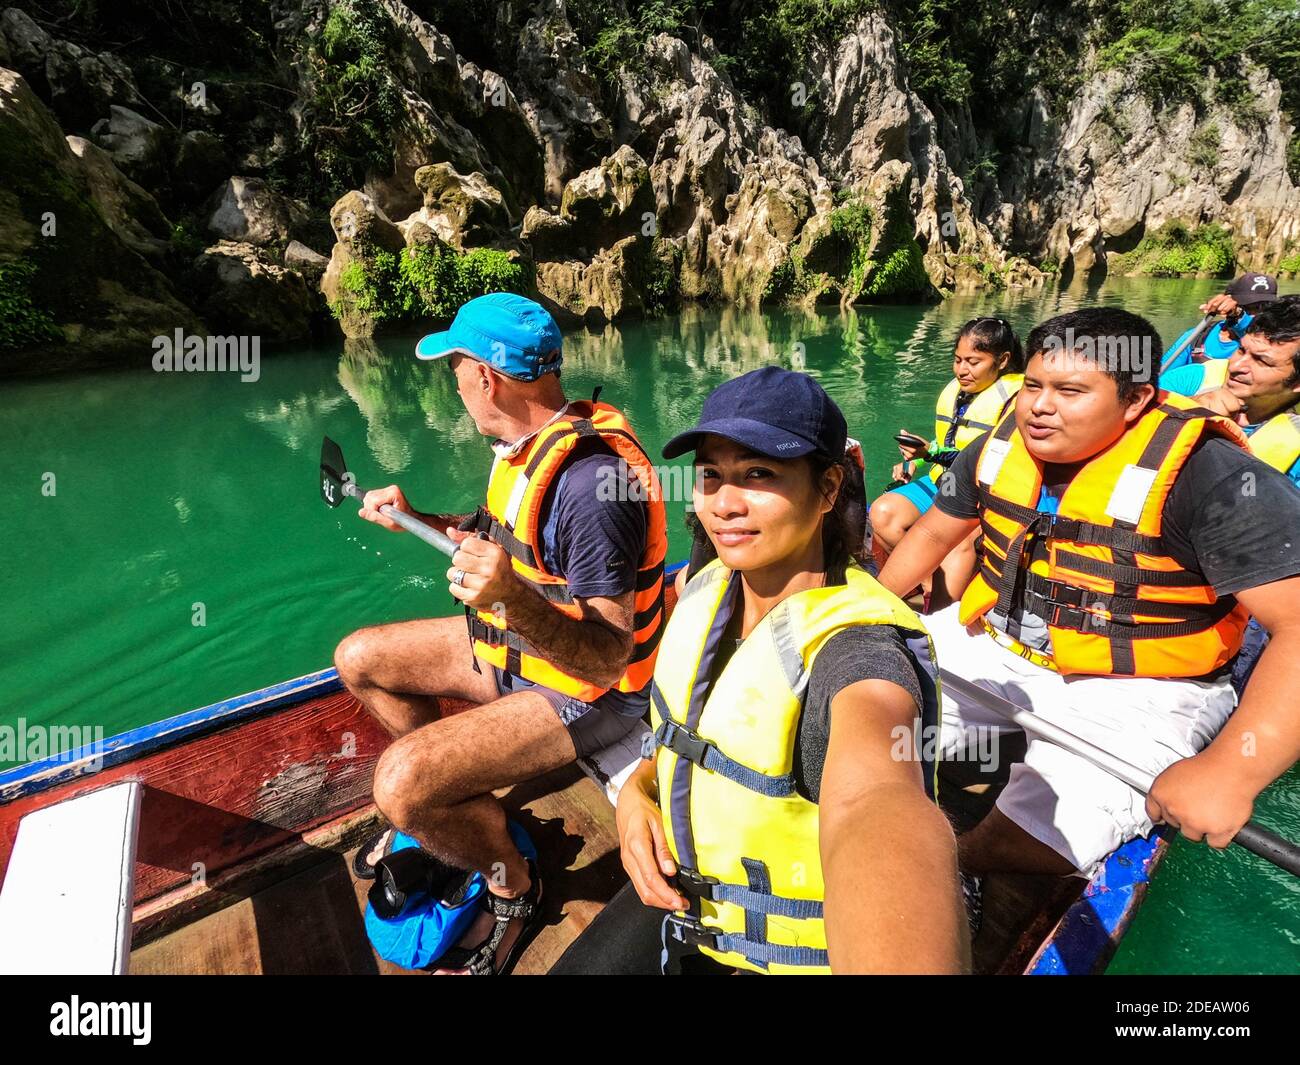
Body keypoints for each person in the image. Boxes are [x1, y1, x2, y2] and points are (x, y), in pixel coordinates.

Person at [551, 367, 966, 975]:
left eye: (759, 475)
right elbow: (681, 736)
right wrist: (638, 792)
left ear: (828, 488)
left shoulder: (857, 653)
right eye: (711, 475)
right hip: (685, 904)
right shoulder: (709, 588)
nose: (724, 504)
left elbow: (879, 805)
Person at [879, 307, 1300, 888]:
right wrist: (870, 607)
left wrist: (1234, 772)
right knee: (856, 710)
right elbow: (931, 532)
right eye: (1032, 386)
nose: (1038, 406)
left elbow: (1296, 627)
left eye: (1069, 391)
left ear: (1135, 400)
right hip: (993, 647)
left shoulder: (1215, 479)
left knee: (1057, 828)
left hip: (1143, 684)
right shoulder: (1007, 444)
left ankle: (962, 863)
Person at [333, 292, 667, 974]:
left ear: (485, 376)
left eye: (454, 367)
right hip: (518, 648)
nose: (452, 383)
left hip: (588, 691)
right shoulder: (524, 444)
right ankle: (456, 810)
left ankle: (513, 880)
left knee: (399, 785)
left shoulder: (592, 488)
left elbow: (609, 658)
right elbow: (504, 535)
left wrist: (509, 596)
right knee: (360, 657)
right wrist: (419, 515)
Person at [869, 317, 1024, 602]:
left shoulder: (1016, 400)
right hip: (944, 482)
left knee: (959, 544)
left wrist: (930, 453)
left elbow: (987, 458)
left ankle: (942, 607)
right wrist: (917, 461)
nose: (962, 370)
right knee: (882, 513)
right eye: (958, 360)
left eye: (974, 362)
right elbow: (950, 442)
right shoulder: (959, 393)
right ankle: (924, 587)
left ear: (1002, 360)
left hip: (982, 495)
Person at [1164, 294, 1300, 488]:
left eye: (1262, 361)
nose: (1236, 366)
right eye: (1242, 350)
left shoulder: (1295, 450)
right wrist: (1184, 412)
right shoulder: (1194, 378)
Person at [1159, 272, 1278, 377]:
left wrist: (1238, 315)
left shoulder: (1272, 343)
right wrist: (1236, 315)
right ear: (1226, 307)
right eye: (1252, 308)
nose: (1260, 316)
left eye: (1266, 308)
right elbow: (1161, 375)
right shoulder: (1197, 336)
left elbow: (1249, 331)